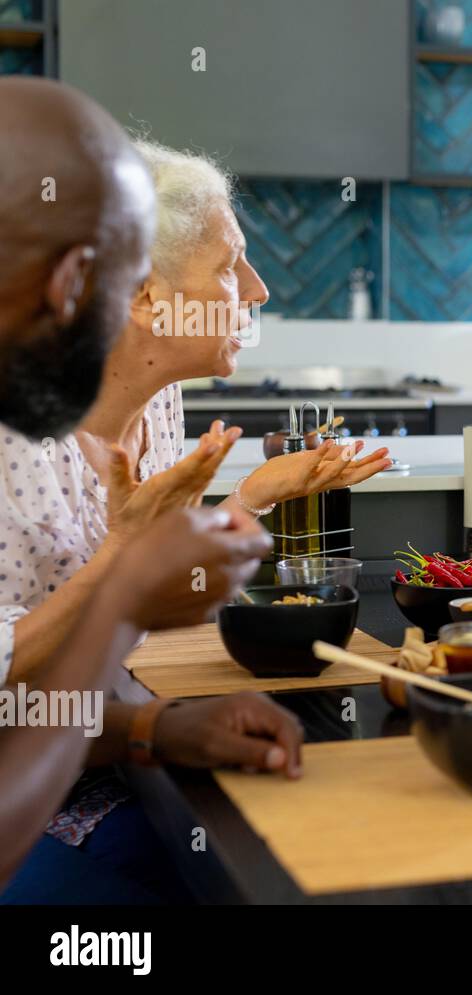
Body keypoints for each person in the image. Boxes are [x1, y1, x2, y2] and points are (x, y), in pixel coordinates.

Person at [0, 76, 303, 901]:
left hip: (88, 765)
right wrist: (120, 583)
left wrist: (152, 725)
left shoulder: (145, 404)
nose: (256, 292)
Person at [0, 140, 392, 683]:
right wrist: (124, 560)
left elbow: (152, 585)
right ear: (144, 296)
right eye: (229, 266)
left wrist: (256, 494)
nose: (258, 290)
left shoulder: (160, 399)